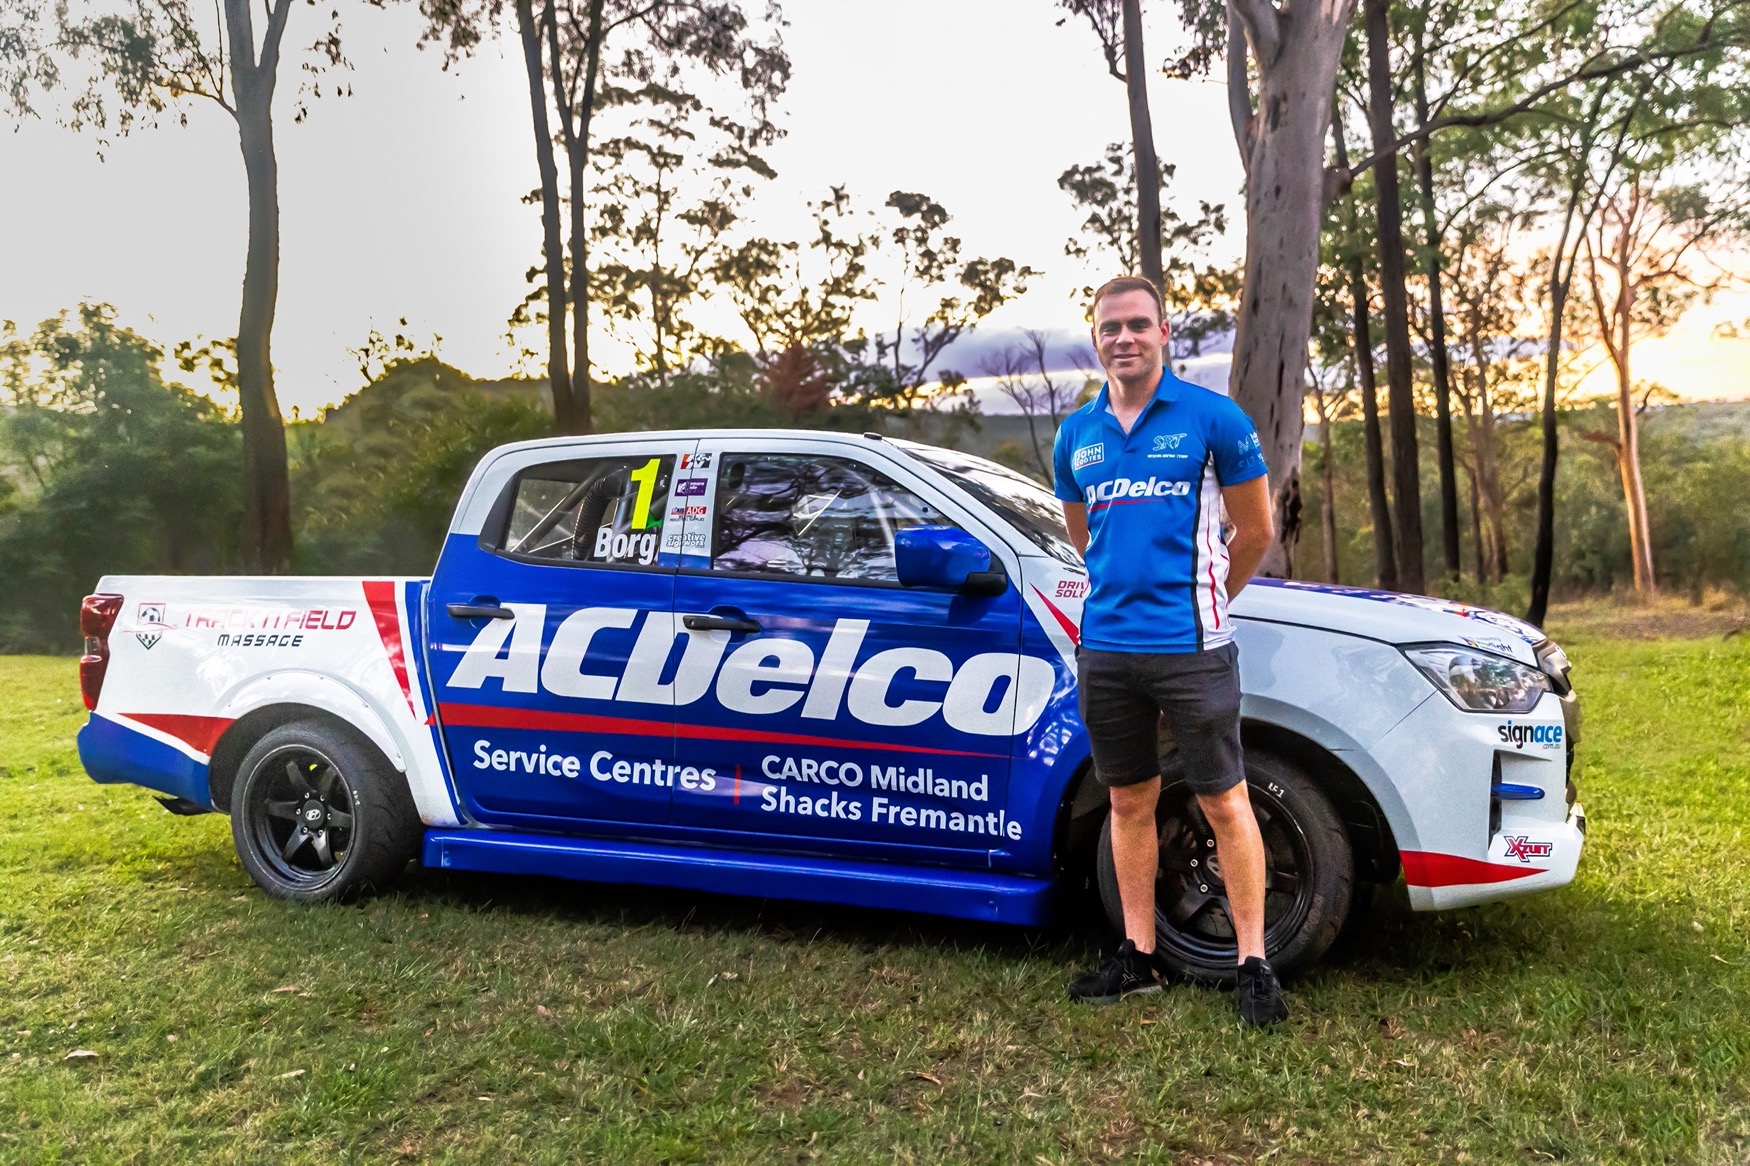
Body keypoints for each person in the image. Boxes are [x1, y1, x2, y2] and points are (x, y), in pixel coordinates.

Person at [1052, 276, 1287, 1026]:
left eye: (1138, 325)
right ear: (1097, 338)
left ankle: (1254, 963)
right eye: (1110, 327)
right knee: (1128, 801)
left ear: (1164, 333)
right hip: (1108, 649)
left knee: (1224, 799)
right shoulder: (1075, 435)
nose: (1124, 338)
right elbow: (1082, 536)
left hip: (1193, 647)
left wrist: (1213, 596)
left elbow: (1255, 534)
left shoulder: (1214, 419)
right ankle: (1140, 956)